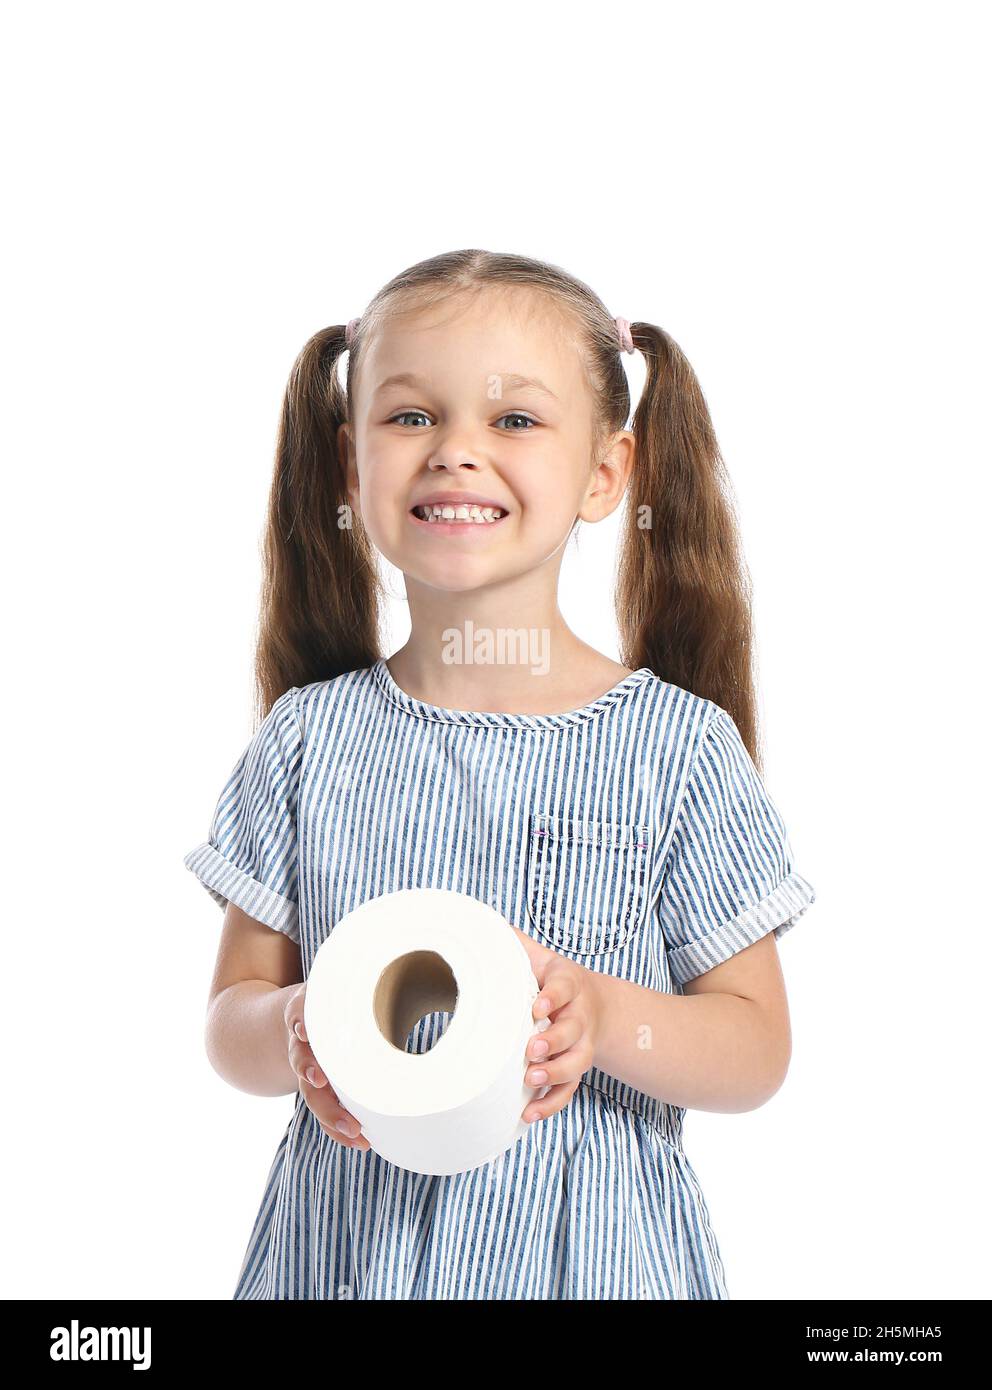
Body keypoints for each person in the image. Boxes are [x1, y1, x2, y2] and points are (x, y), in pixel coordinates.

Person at [184, 247, 816, 1300]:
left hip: (595, 1261)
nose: (455, 454)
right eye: (410, 417)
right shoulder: (306, 742)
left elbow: (753, 1047)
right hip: (349, 1257)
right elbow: (231, 1016)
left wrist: (609, 1021)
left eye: (512, 421)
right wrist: (294, 1029)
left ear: (606, 472)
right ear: (350, 468)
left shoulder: (674, 750)